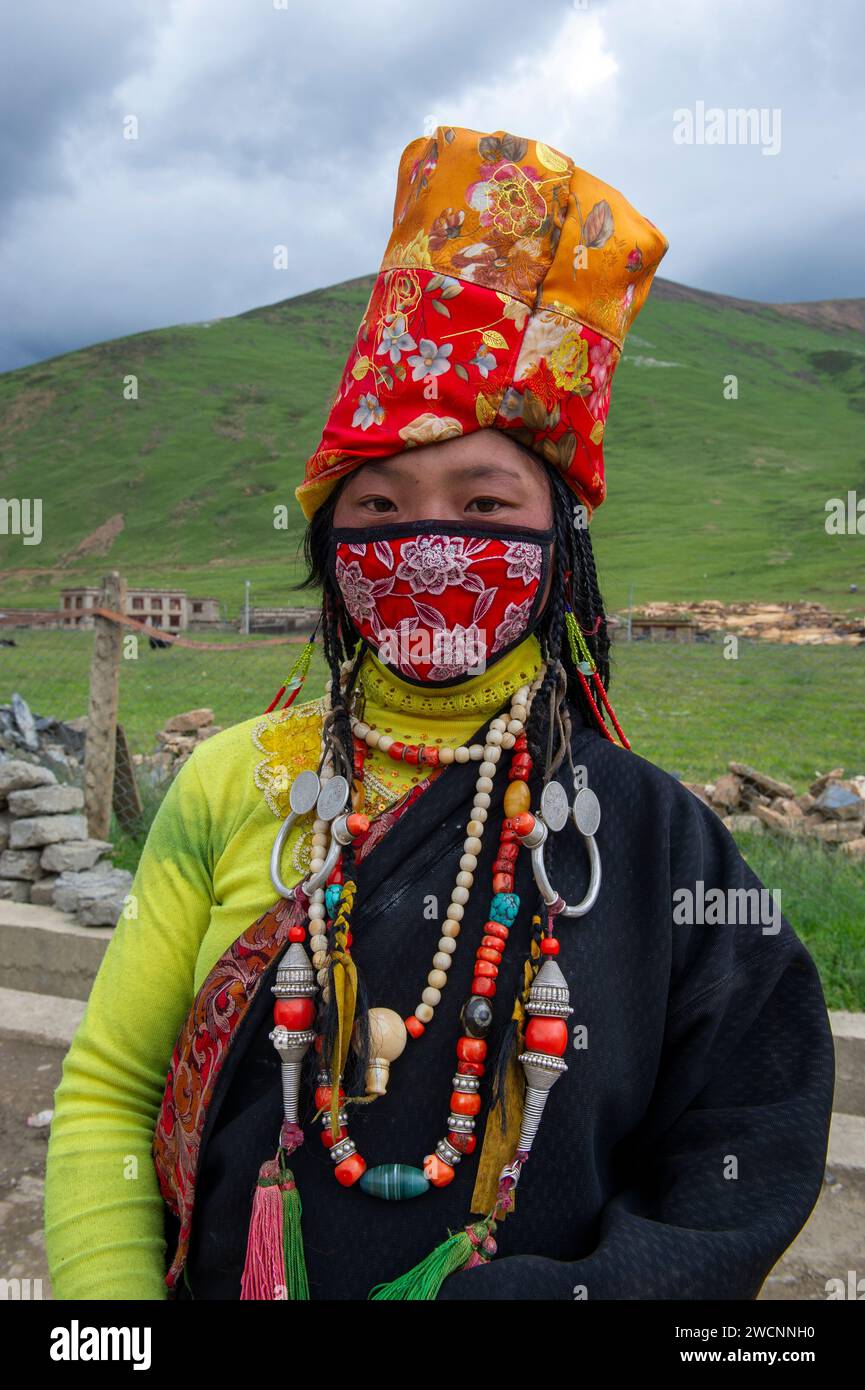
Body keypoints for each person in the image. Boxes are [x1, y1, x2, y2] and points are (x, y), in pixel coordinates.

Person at [44, 125, 834, 1301]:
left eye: (483, 498)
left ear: (558, 545)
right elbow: (110, 1090)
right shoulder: (229, 783)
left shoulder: (653, 834)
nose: (432, 543)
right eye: (382, 501)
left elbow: (744, 1153)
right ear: (329, 539)